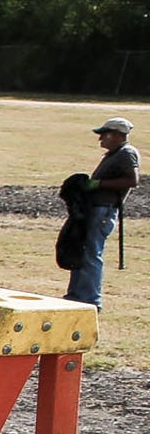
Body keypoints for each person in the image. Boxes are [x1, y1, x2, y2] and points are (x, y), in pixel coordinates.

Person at [68, 117, 134, 306]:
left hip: (104, 211)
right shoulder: (114, 153)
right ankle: (76, 295)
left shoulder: (126, 153)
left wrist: (99, 184)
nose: (100, 139)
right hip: (95, 208)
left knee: (91, 253)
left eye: (104, 134)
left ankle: (90, 299)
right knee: (83, 251)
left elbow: (133, 180)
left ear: (117, 135)